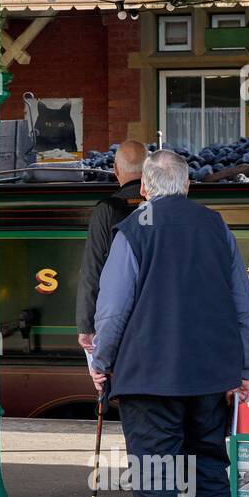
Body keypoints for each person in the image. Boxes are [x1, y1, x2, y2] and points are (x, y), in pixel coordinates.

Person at [89, 149, 249, 497]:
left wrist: (100, 363)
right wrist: (243, 368)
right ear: (187, 186)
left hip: (148, 375)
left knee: (156, 471)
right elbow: (244, 305)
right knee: (208, 462)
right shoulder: (216, 227)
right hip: (209, 373)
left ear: (144, 188)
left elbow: (111, 311)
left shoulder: (132, 230)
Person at [76, 140, 148, 355]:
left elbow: (92, 268)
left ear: (115, 170)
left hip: (118, 315)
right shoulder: (161, 206)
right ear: (147, 169)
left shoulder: (106, 210)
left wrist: (85, 325)